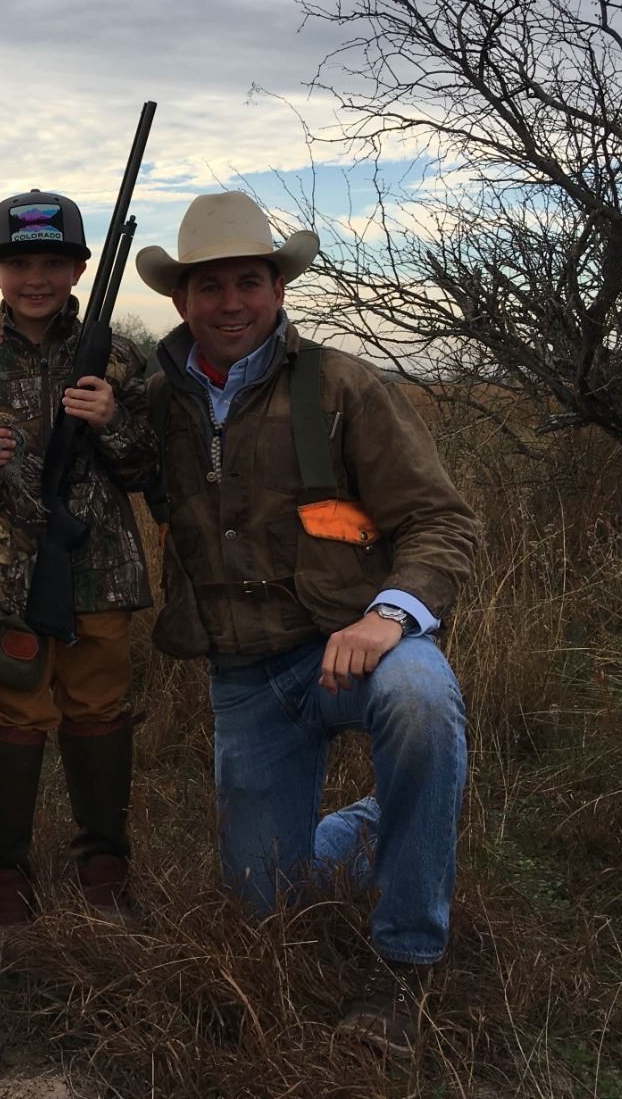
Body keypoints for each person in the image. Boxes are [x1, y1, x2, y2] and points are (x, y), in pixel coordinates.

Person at [138, 190, 477, 1055]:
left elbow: (443, 522)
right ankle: (375, 826)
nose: (230, 303)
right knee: (266, 911)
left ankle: (403, 966)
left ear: (279, 288)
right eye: (208, 287)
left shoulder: (343, 385)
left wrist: (389, 616)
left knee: (421, 706)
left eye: (248, 282)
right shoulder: (152, 400)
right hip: (246, 680)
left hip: (356, 652)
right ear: (181, 300)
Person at [0, 189, 157, 939]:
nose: (36, 278)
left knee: (98, 709)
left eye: (53, 262)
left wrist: (113, 423)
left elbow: (148, 465)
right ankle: (0, 873)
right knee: (13, 709)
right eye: (20, 263)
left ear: (81, 268)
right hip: (8, 576)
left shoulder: (117, 354)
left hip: (101, 572)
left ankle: (103, 864)